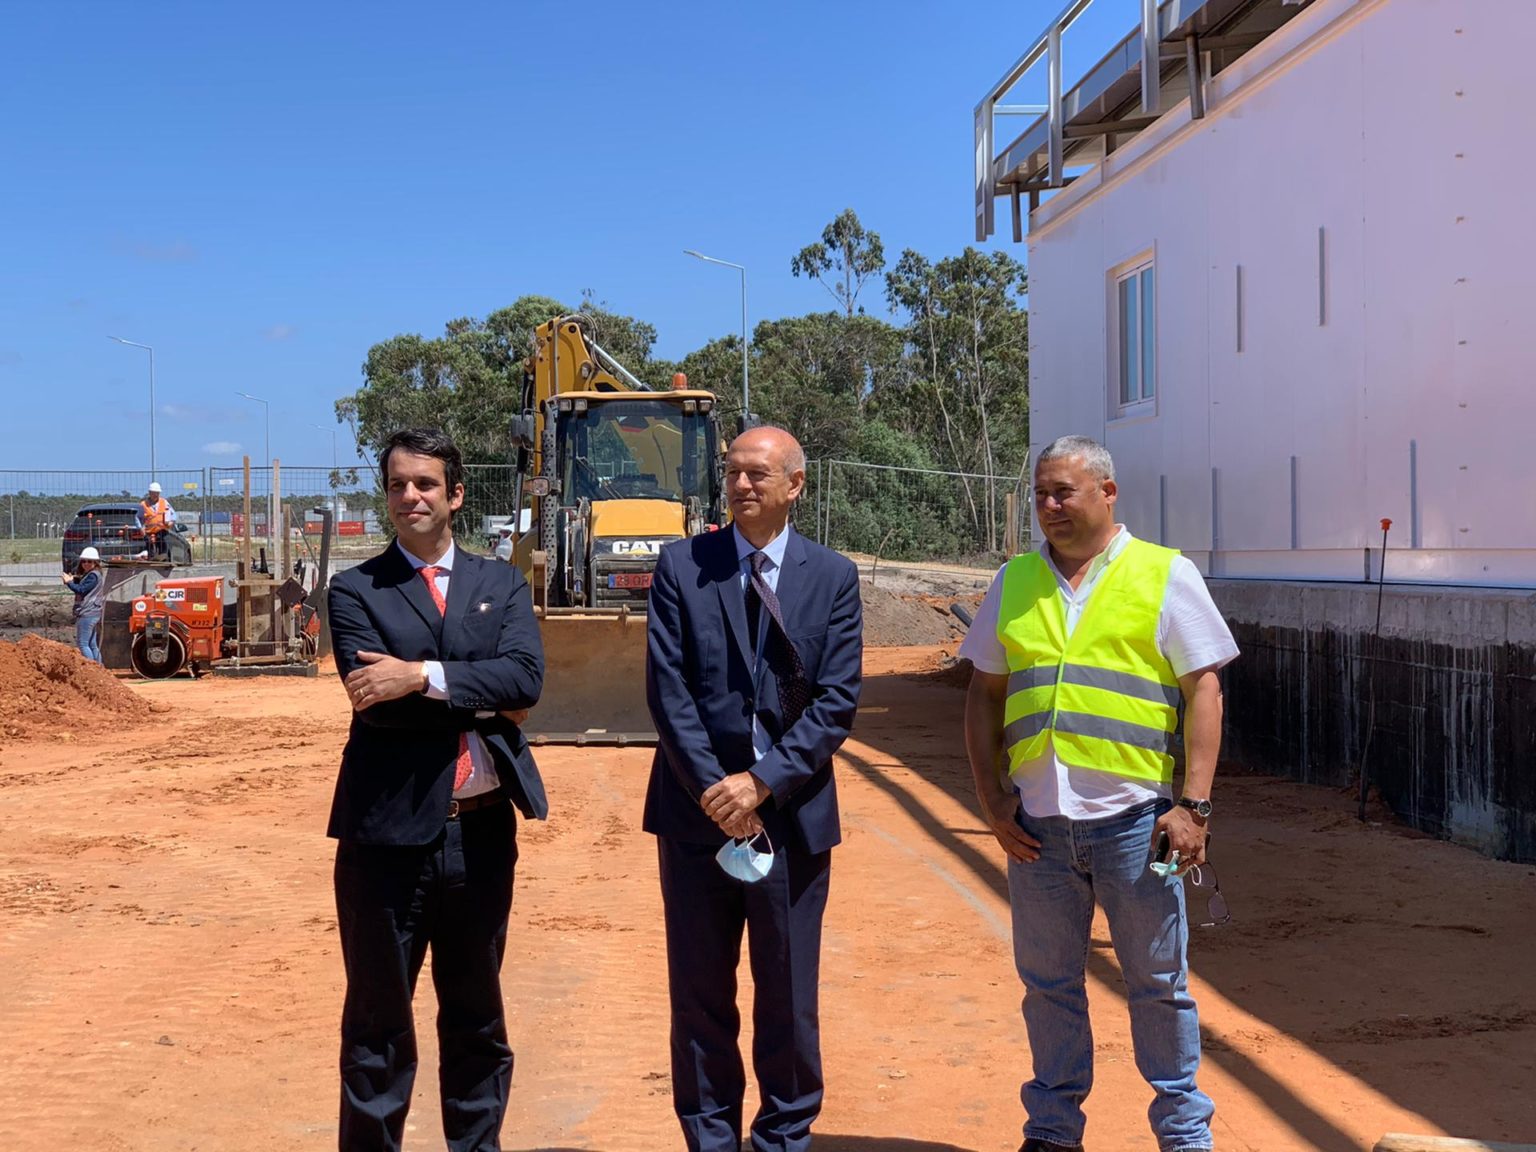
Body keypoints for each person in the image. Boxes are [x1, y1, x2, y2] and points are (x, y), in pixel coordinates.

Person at [961, 435, 1238, 1152]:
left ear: (1107, 493)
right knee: (1048, 987)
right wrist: (991, 799)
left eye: (1064, 492)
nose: (1049, 506)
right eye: (1040, 494)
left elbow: (1203, 689)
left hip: (1137, 825)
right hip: (1038, 828)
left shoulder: (1164, 573)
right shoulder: (1015, 580)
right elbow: (984, 694)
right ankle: (1053, 1133)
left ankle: (1184, 1134)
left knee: (1158, 984)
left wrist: (1194, 805)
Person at [643, 425, 863, 1152]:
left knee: (789, 995)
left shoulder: (832, 577)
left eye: (757, 474)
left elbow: (836, 702)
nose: (740, 484)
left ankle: (783, 1136)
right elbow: (669, 692)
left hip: (792, 819)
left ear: (795, 485)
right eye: (732, 472)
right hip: (695, 818)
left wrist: (762, 784)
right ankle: (710, 1138)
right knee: (699, 995)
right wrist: (719, 790)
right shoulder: (683, 566)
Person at [326, 427, 545, 1152]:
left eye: (424, 484)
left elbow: (526, 681)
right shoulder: (355, 589)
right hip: (384, 838)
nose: (410, 496)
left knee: (478, 1021)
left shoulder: (501, 584)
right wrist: (481, 696)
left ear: (455, 495)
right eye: (397, 485)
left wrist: (419, 674)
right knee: (377, 1027)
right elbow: (376, 705)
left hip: (480, 836)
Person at [61, 546, 105, 662]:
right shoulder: (93, 574)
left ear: (95, 562)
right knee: (92, 644)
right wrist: (72, 581)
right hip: (93, 612)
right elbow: (82, 586)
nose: (86, 564)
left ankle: (92, 669)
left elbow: (81, 590)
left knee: (83, 644)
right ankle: (99, 669)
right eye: (84, 561)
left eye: (89, 561)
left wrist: (69, 582)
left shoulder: (93, 576)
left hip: (88, 613)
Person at [136, 482, 178, 560]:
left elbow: (173, 514)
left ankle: (162, 556)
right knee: (149, 546)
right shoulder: (143, 504)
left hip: (162, 530)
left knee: (162, 542)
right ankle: (151, 558)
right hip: (149, 531)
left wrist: (171, 522)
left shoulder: (164, 502)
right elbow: (138, 517)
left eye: (157, 493)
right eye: (154, 493)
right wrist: (140, 528)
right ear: (149, 493)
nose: (156, 495)